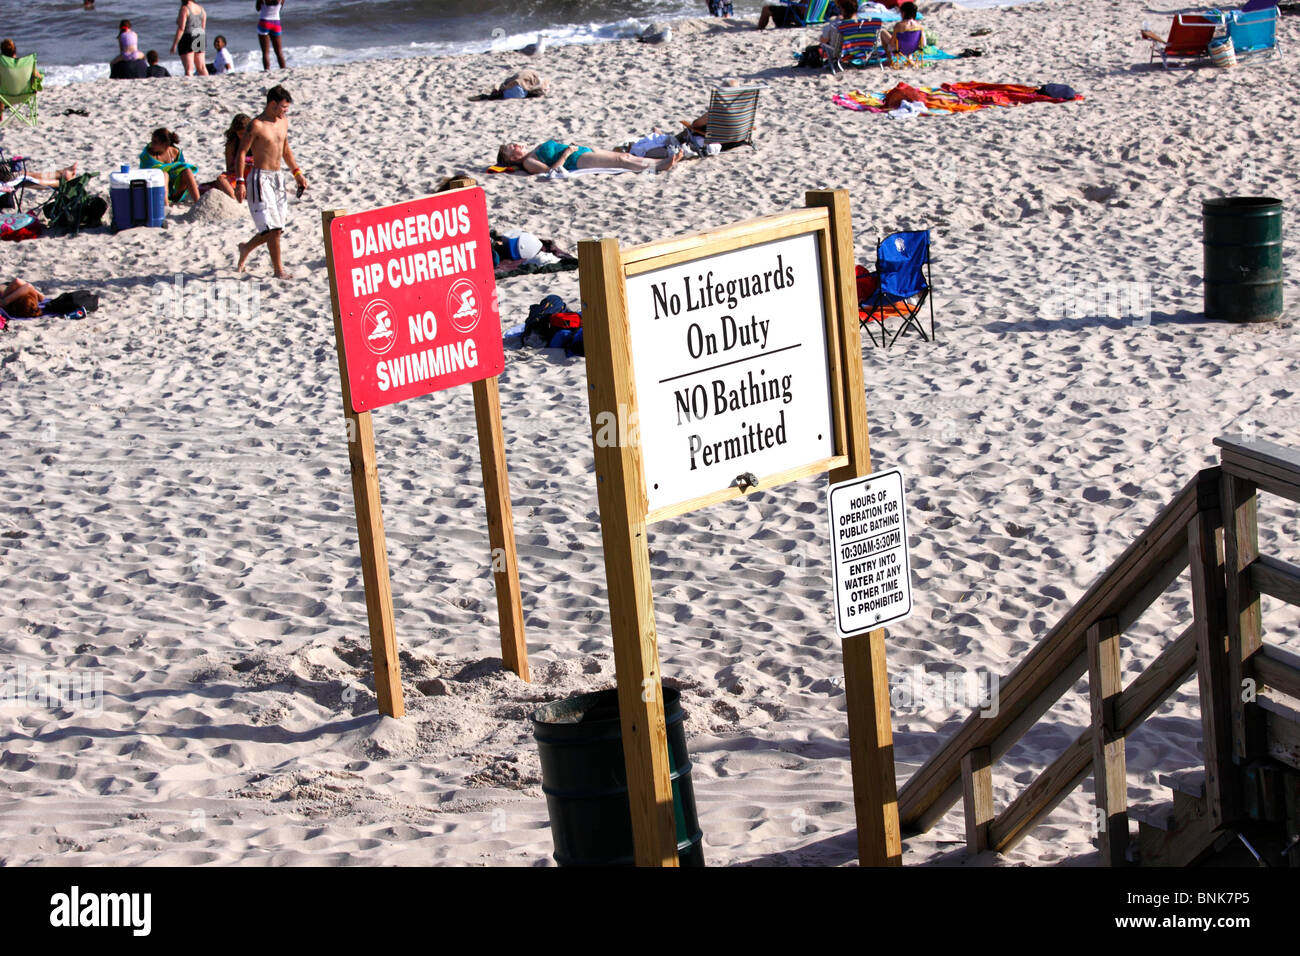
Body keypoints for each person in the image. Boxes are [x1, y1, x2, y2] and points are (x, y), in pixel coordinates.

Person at [234, 86, 307, 280]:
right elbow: (241, 153)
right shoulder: (256, 125)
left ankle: (246, 248)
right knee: (272, 228)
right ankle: (278, 270)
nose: (285, 111)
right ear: (272, 104)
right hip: (260, 178)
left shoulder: (283, 122)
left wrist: (297, 173)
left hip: (278, 178)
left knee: (278, 229)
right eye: (283, 107)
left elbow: (285, 149)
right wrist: (240, 182)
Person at [497, 140, 680, 175]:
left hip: (579, 151)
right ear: (513, 158)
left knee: (625, 155)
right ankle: (659, 166)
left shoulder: (533, 150)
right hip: (575, 160)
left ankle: (659, 162)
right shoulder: (529, 162)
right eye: (513, 148)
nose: (517, 145)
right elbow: (551, 172)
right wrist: (567, 153)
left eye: (514, 143)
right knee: (621, 162)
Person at [140, 128, 201, 205]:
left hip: (176, 190)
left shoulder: (175, 152)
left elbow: (181, 167)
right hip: (158, 191)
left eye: (155, 142)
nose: (152, 144)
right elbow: (146, 174)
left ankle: (198, 202)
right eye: (152, 140)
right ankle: (166, 205)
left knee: (187, 171)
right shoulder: (147, 155)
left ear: (164, 144)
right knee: (164, 174)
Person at [203, 113, 251, 199]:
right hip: (237, 174)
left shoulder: (256, 142)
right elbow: (229, 168)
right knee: (221, 179)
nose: (243, 136)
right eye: (240, 133)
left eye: (245, 133)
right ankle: (234, 200)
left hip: (253, 174)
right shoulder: (232, 144)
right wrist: (240, 165)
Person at [170, 0, 208, 77]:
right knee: (201, 67)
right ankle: (208, 82)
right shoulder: (201, 9)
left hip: (188, 36)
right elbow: (203, 27)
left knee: (189, 68)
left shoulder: (185, 9)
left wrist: (174, 44)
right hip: (200, 35)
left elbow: (181, 28)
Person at [256, 0, 287, 71]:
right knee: (279, 51)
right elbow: (280, 8)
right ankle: (283, 69)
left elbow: (258, 9)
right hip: (276, 23)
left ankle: (267, 70)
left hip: (264, 22)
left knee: (265, 52)